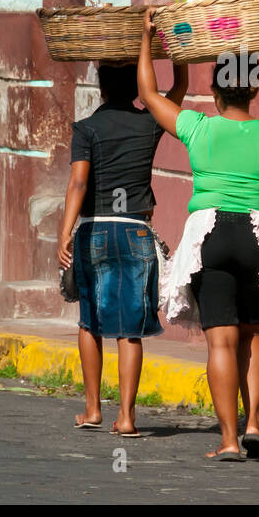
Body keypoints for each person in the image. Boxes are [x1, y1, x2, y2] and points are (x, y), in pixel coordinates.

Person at [137, 13, 259, 460]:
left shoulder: (198, 127)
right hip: (256, 238)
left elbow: (149, 94)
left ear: (218, 91)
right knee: (254, 335)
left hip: (209, 233)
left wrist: (148, 41)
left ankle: (227, 440)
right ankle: (254, 428)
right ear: (255, 90)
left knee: (220, 340)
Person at [57, 58, 188, 436]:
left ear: (102, 88)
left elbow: (78, 184)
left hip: (95, 229)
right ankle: (127, 417)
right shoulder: (149, 123)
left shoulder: (86, 129)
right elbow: (175, 96)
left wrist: (65, 231)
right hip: (135, 231)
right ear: (136, 88)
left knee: (90, 321)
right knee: (130, 329)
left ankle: (93, 409)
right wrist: (178, 57)